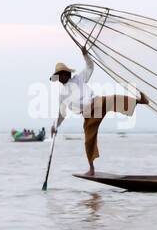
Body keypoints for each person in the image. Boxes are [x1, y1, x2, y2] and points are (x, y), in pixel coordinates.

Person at [51, 48, 148, 176]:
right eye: (58, 76)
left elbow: (90, 67)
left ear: (66, 74)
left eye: (62, 74)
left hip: (95, 103)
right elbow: (61, 113)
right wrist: (54, 126)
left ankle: (139, 101)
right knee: (88, 140)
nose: (60, 77)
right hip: (87, 115)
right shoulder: (63, 94)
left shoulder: (78, 78)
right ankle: (91, 168)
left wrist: (85, 55)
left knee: (112, 99)